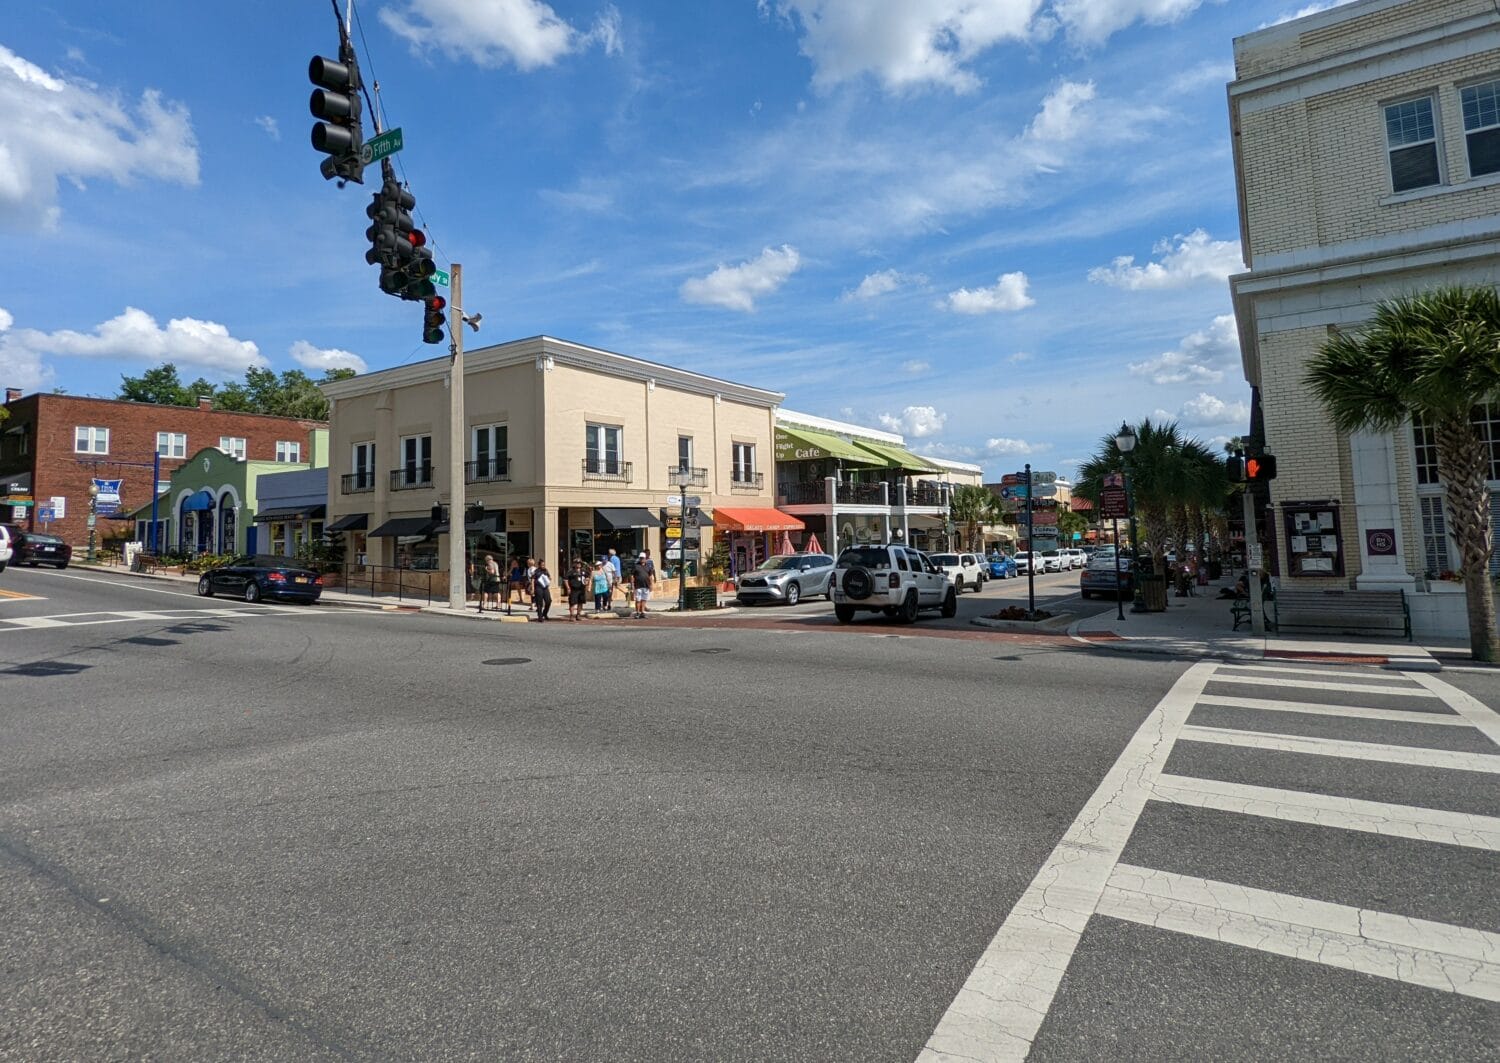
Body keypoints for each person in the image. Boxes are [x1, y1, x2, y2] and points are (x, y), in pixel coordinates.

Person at [630, 551, 654, 618]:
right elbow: (632, 576)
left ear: (645, 559)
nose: (642, 559)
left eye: (643, 558)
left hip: (646, 585)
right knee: (638, 599)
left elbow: (650, 576)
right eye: (641, 558)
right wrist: (632, 585)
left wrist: (651, 585)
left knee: (644, 599)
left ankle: (642, 612)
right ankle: (637, 612)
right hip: (638, 586)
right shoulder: (636, 566)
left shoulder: (648, 567)